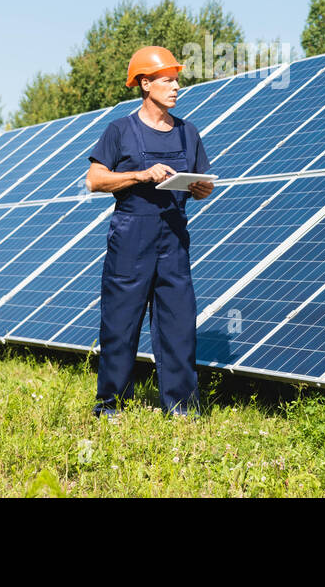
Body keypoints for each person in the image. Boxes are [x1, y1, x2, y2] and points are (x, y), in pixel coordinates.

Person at [86, 45, 214, 419]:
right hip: (130, 240)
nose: (176, 87)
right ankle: (110, 405)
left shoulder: (189, 133)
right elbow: (94, 180)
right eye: (168, 80)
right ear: (145, 84)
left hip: (174, 240)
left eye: (177, 80)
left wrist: (201, 189)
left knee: (178, 324)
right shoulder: (120, 130)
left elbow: (204, 182)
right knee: (120, 324)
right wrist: (140, 175)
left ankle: (181, 408)